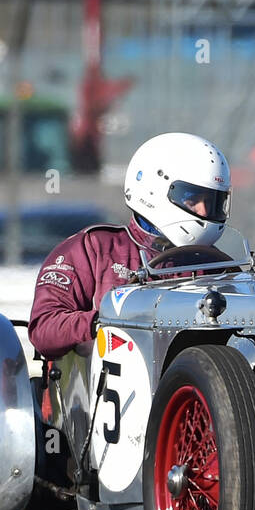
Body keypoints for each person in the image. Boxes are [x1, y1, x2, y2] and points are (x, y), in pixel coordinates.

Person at [27, 132, 232, 359]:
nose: (204, 212)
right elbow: (43, 330)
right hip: (99, 391)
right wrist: (104, 321)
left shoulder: (221, 267)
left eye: (212, 202)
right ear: (154, 190)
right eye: (193, 199)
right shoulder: (94, 248)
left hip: (192, 389)